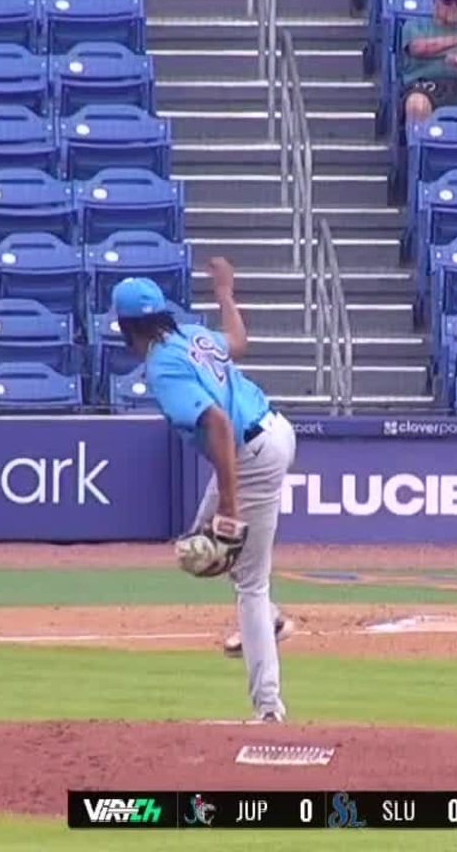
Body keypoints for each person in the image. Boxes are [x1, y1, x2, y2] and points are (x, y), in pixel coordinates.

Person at [112, 260, 296, 723]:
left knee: (249, 580)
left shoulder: (161, 367)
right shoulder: (191, 335)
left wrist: (230, 507)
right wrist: (225, 293)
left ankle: (269, 708)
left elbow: (216, 423)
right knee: (201, 543)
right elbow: (237, 342)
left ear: (124, 326)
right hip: (273, 431)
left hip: (248, 451)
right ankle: (270, 620)